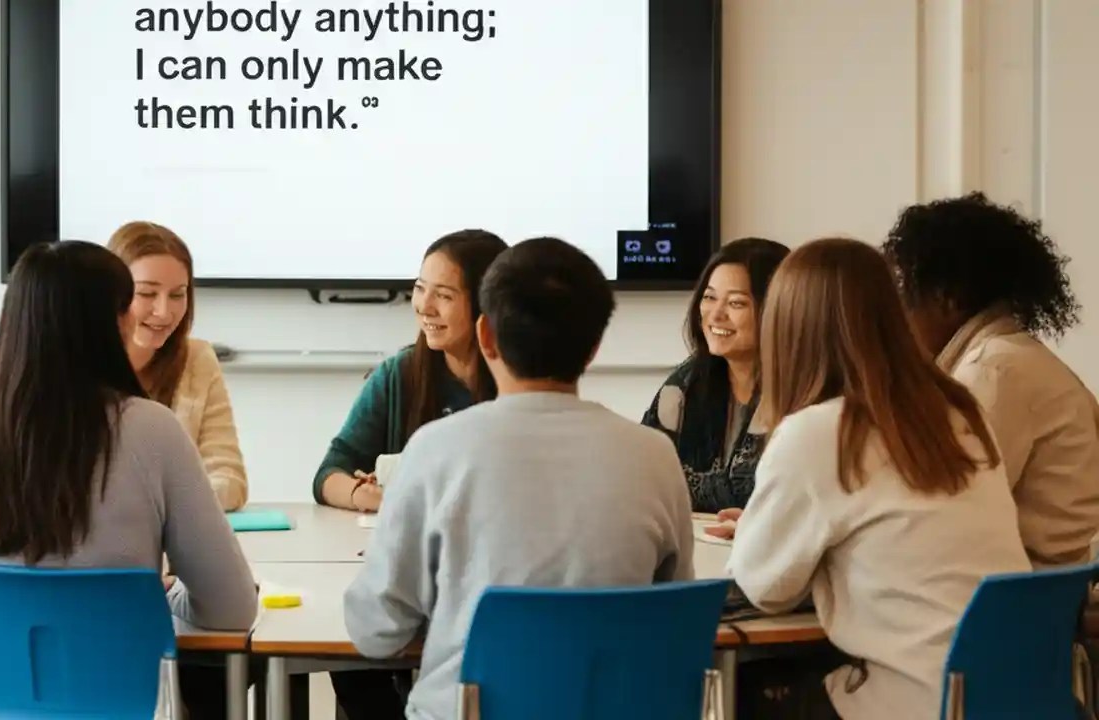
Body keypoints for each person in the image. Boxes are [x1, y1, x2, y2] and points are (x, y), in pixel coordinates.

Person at [345, 237, 695, 720]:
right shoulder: (655, 455)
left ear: (485, 335)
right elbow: (670, 615)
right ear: (593, 348)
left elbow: (375, 630)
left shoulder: (435, 448)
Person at [727, 237, 1031, 720]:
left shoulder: (817, 432)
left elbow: (765, 586)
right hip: (1016, 693)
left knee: (748, 685)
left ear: (788, 333)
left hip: (912, 700)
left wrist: (757, 528)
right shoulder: (961, 413)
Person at [0, 240, 256, 627]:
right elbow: (232, 609)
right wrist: (162, 595)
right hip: (125, 685)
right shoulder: (152, 429)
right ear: (110, 322)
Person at [883, 192, 1099, 567]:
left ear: (947, 298)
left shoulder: (993, 371)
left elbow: (951, 506)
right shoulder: (1007, 358)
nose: (898, 318)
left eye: (905, 298)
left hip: (1020, 595)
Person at [313, 229, 508, 513]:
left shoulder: (519, 382)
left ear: (485, 305)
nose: (425, 307)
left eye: (443, 295)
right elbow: (329, 473)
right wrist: (363, 495)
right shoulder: (396, 375)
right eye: (420, 288)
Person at [641, 237, 789, 513]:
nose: (715, 315)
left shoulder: (805, 389)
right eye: (709, 298)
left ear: (777, 309)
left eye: (736, 303)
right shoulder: (684, 386)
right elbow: (643, 479)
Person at [108, 221, 248, 510]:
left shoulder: (197, 360)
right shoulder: (72, 358)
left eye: (177, 294)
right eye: (147, 294)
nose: (164, 312)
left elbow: (230, 481)